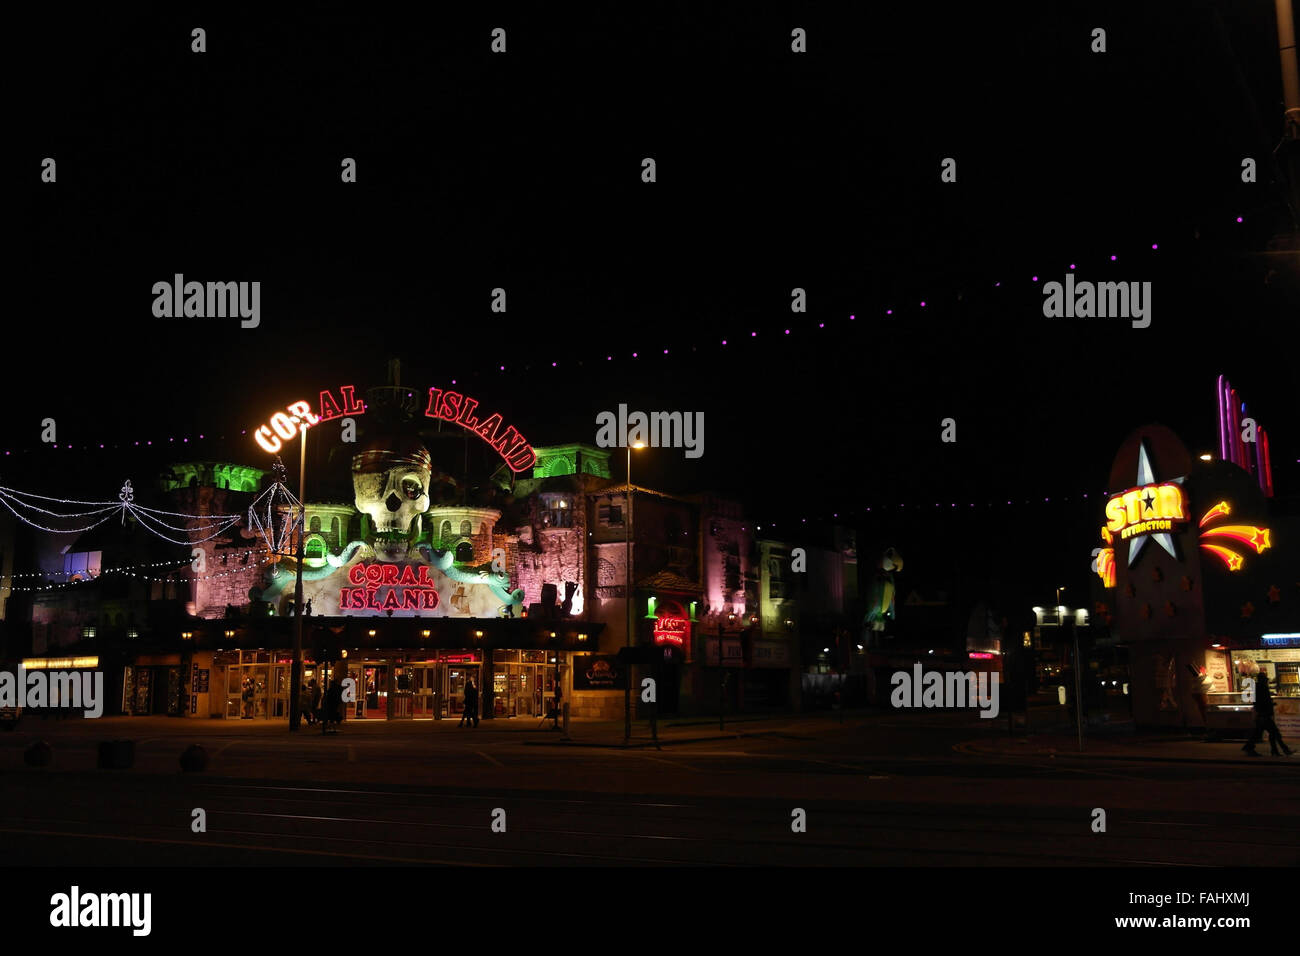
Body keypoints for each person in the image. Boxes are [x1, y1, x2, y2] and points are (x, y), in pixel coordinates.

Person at [1243, 673, 1293, 756]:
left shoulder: (1257, 688)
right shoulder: (1262, 688)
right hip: (1264, 715)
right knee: (1274, 733)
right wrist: (1270, 706)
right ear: (1263, 680)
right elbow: (1263, 701)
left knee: (1266, 733)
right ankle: (1283, 750)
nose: (1267, 680)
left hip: (1262, 715)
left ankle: (1276, 751)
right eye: (1265, 679)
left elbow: (1258, 702)